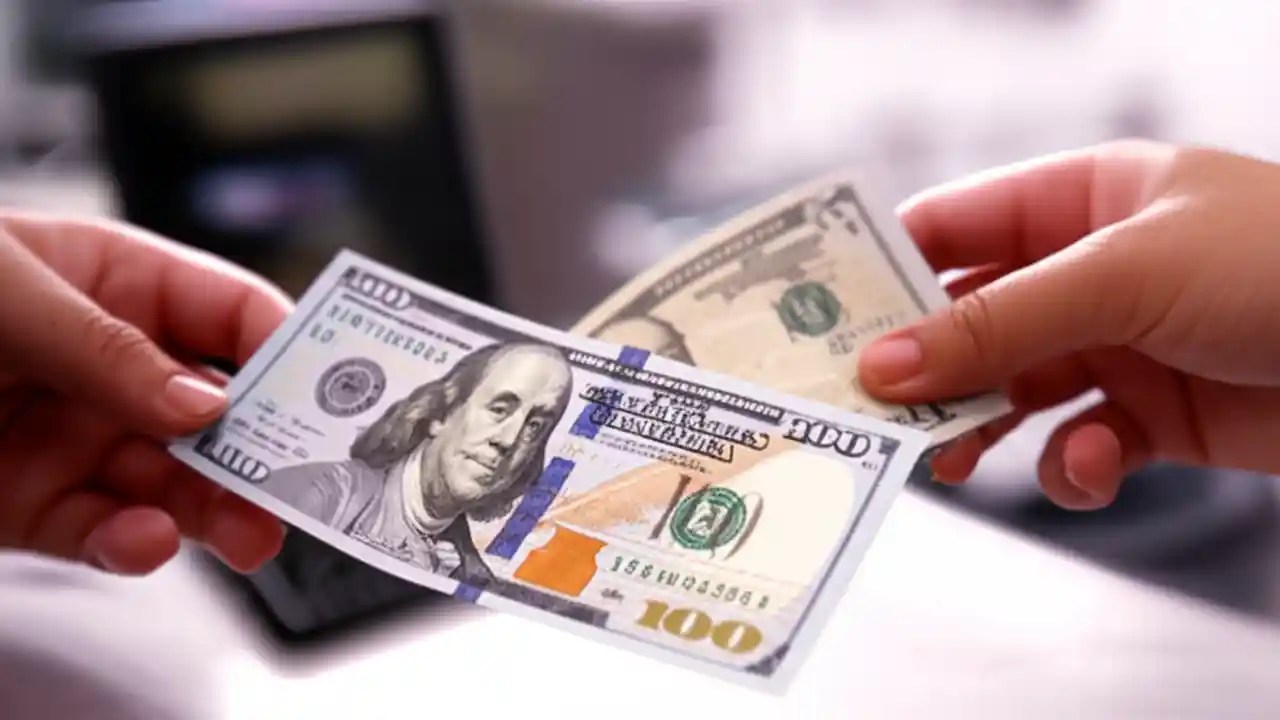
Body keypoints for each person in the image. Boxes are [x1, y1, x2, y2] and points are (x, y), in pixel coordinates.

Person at [257, 342, 573, 584]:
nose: (508, 439)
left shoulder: (472, 578)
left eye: (535, 427)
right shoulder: (324, 492)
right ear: (442, 414)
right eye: (500, 409)